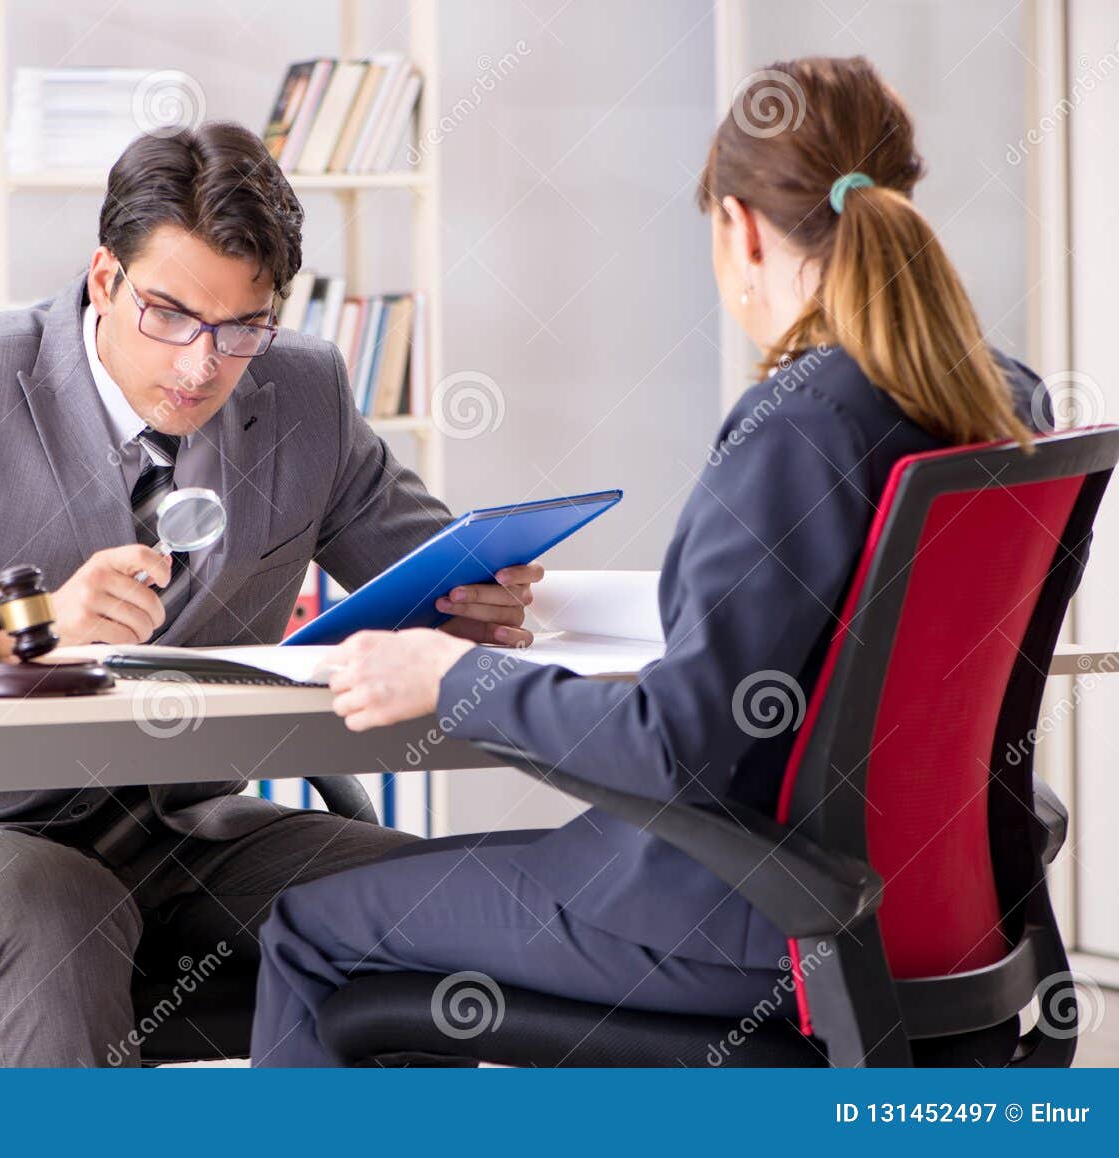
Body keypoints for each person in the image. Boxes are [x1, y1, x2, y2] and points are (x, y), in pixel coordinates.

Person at [250, 55, 1039, 1066]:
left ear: (739, 228)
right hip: (927, 906)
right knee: (425, 883)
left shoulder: (799, 424)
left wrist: (453, 676)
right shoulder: (1008, 406)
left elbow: (681, 750)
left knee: (313, 930)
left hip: (743, 912)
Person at [0, 121, 543, 1065]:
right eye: (171, 314)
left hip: (183, 819)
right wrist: (30, 621)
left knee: (423, 899)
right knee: (65, 907)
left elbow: (424, 563)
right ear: (104, 278)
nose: (201, 365)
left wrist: (473, 595)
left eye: (240, 328)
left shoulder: (301, 389)